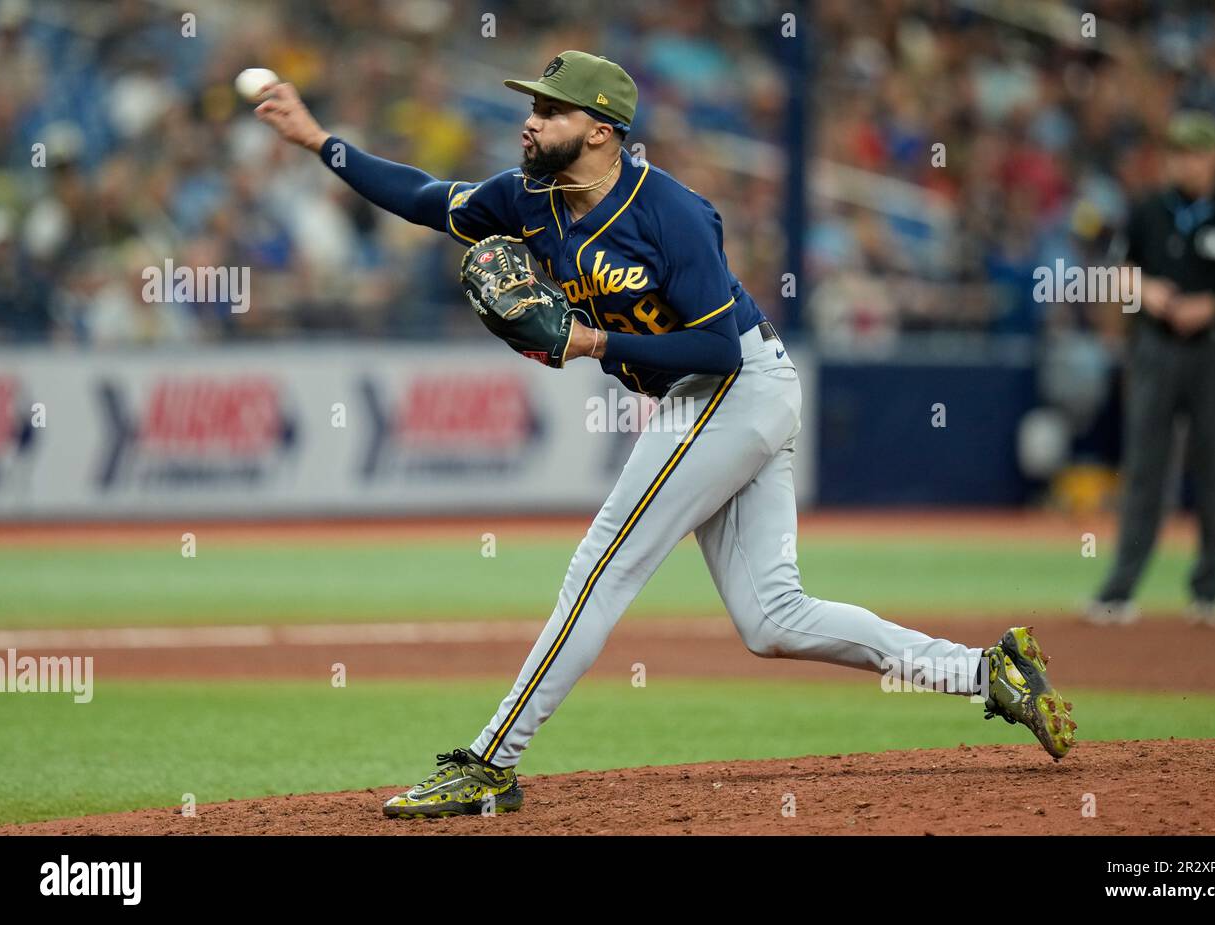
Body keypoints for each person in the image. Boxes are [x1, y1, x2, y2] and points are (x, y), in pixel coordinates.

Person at [255, 51, 1076, 818]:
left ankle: (489, 763)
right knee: (774, 619)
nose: (530, 122)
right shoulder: (525, 195)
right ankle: (988, 670)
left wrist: (592, 341)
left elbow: (716, 348)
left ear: (601, 130)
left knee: (601, 564)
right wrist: (318, 141)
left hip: (734, 384)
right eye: (532, 109)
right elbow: (427, 198)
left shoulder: (672, 213)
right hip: (721, 393)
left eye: (549, 110)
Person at [1087, 111, 1215, 629]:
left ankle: (1208, 591)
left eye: (1191, 152)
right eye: (1174, 151)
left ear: (1214, 157)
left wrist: (1210, 307)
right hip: (1155, 347)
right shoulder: (1149, 211)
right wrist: (1147, 291)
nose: (1181, 161)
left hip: (1213, 351)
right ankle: (1119, 590)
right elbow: (1119, 273)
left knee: (1213, 466)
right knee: (1145, 468)